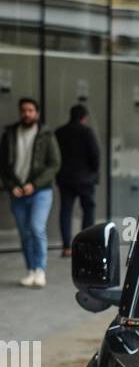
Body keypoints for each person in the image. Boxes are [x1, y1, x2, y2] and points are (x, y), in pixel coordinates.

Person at [0, 96, 61, 287]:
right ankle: (31, 270)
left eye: (30, 110)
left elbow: (54, 163)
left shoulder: (46, 134)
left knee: (36, 228)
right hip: (17, 192)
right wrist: (11, 186)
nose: (27, 114)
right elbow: (2, 165)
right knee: (25, 233)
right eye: (23, 110)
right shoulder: (10, 134)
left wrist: (34, 184)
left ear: (37, 113)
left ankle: (40, 270)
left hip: (40, 191)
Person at [55, 104, 100, 256]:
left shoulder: (59, 132)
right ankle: (85, 245)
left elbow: (55, 156)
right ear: (84, 117)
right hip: (85, 179)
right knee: (88, 210)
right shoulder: (87, 132)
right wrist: (94, 172)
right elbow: (95, 155)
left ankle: (66, 247)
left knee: (66, 211)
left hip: (65, 178)